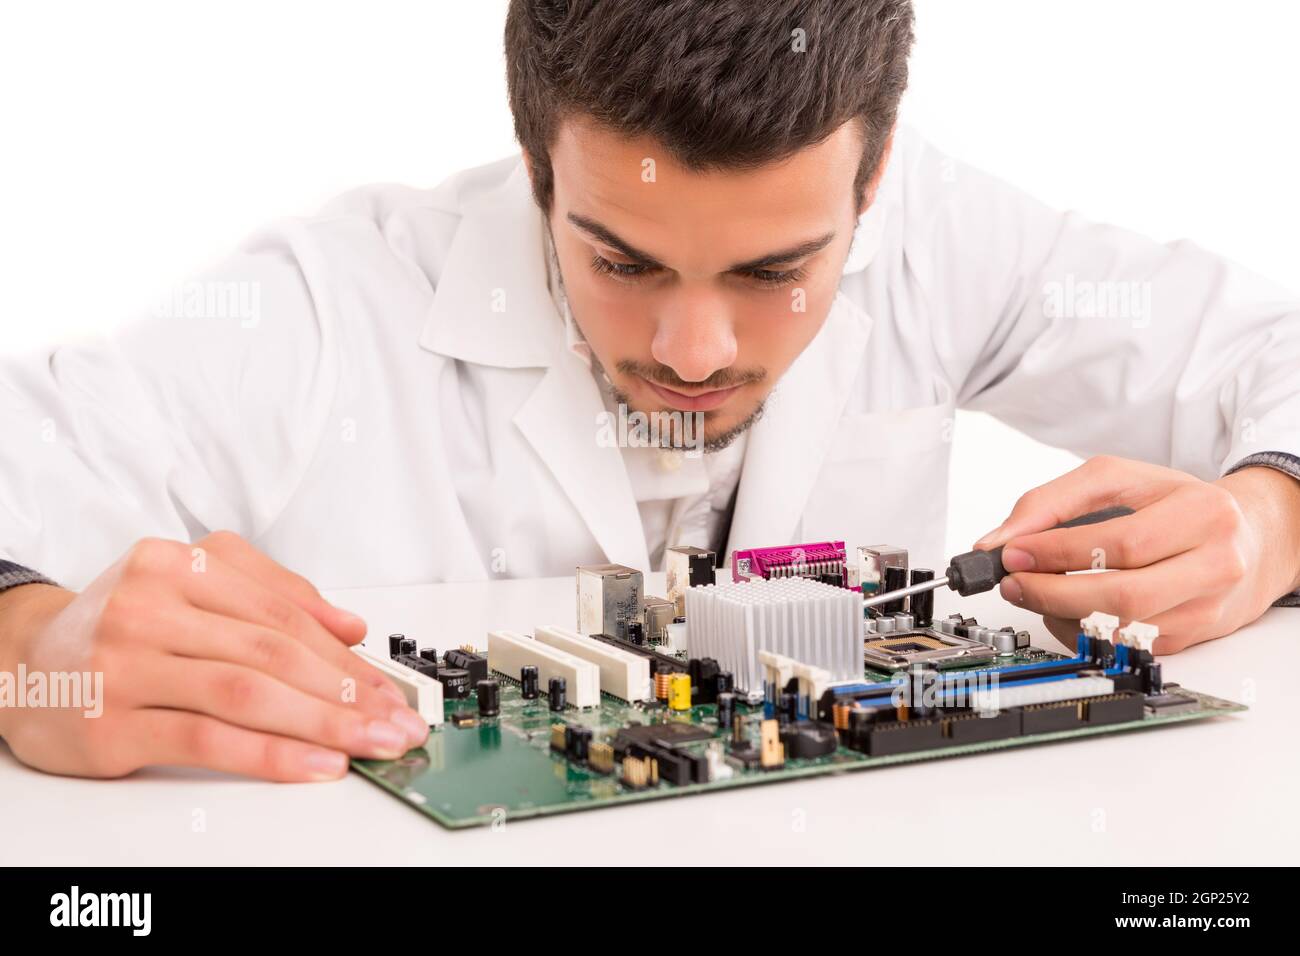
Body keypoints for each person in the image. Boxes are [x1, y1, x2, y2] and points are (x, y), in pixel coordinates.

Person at [1, 0, 1297, 782]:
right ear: (536, 161)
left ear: (874, 174)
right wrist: (28, 654)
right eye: (620, 259)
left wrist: (1265, 521)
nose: (691, 350)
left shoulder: (947, 238)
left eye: (775, 268)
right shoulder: (325, 306)